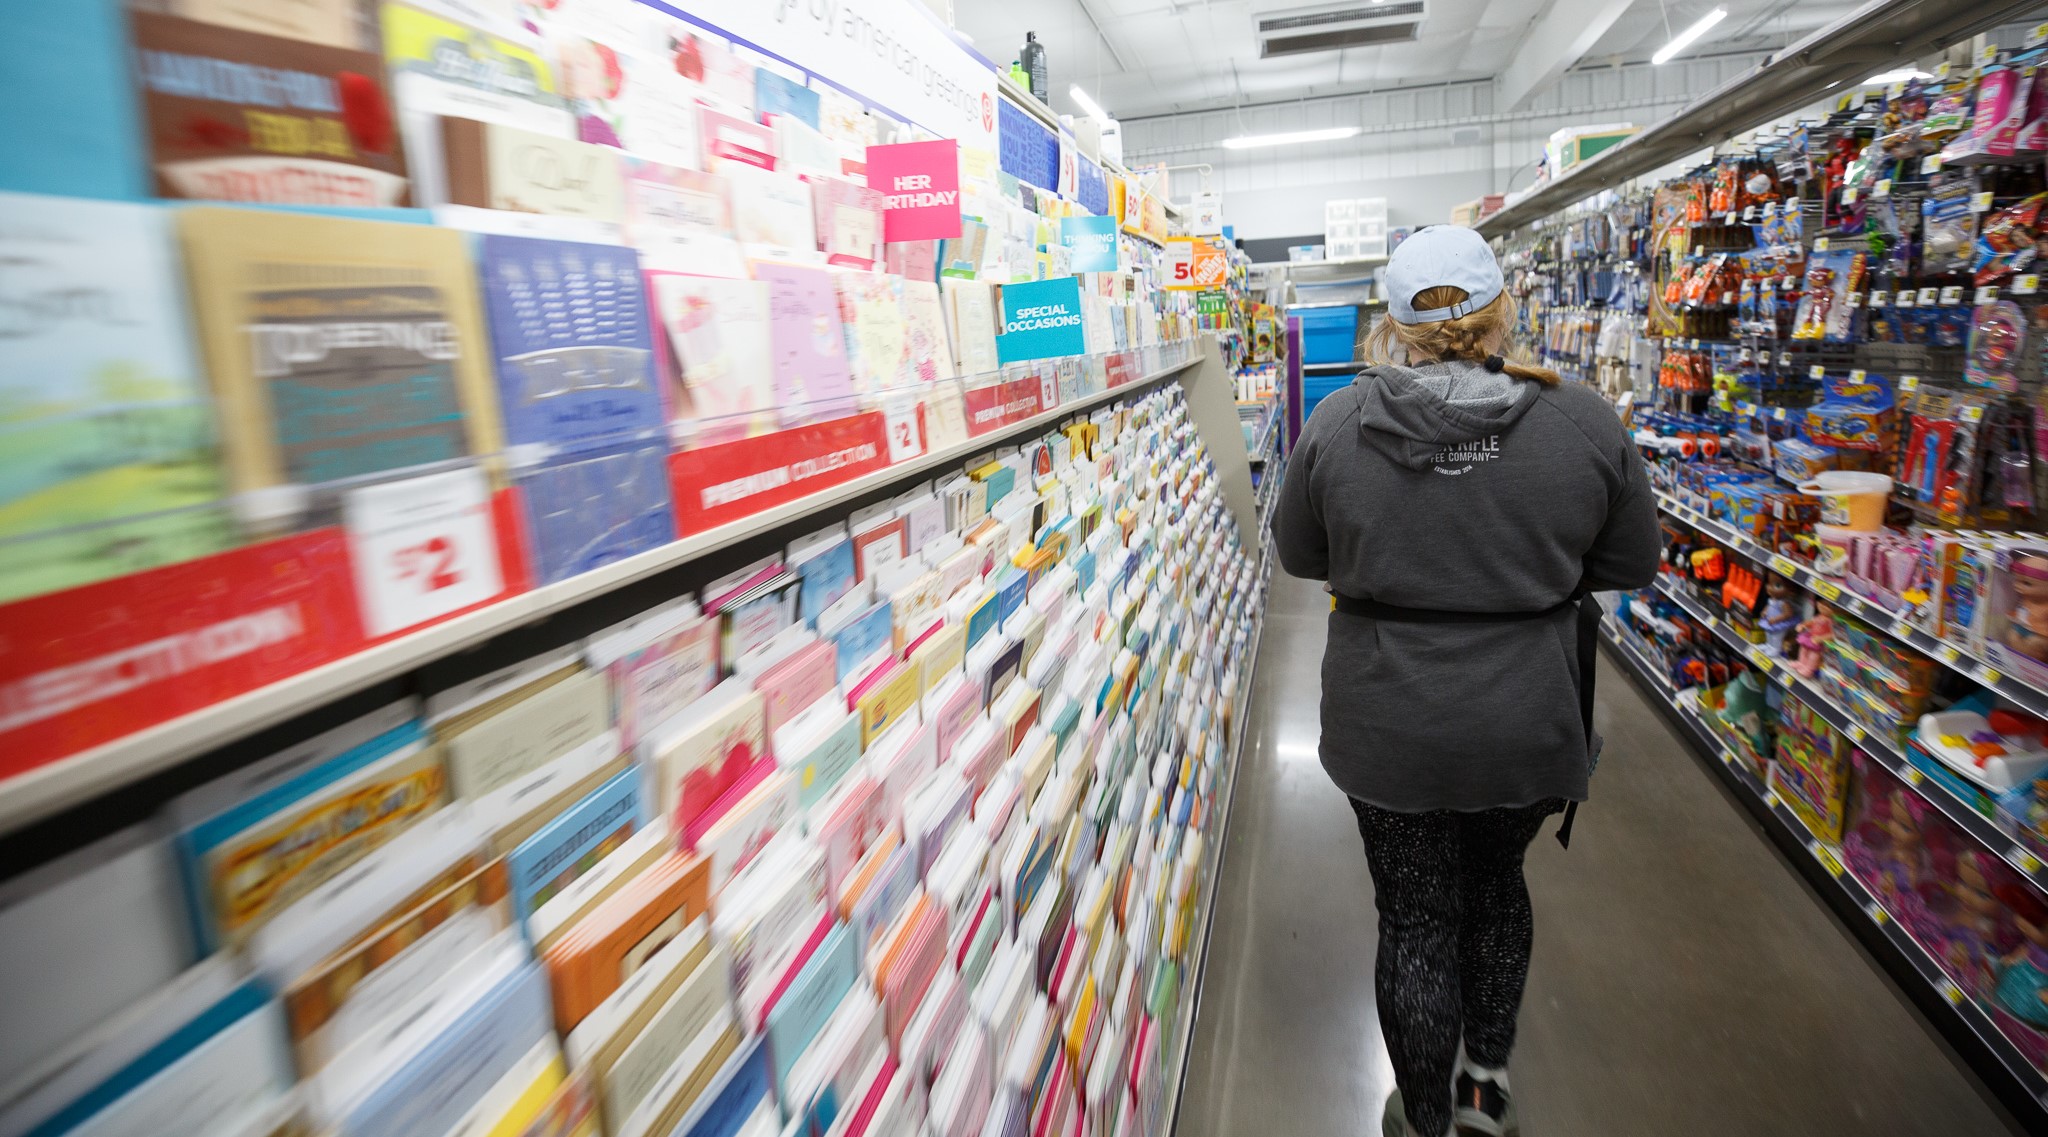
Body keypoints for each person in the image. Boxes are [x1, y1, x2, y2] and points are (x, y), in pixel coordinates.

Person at [1270, 225, 1660, 1137]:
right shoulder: (1583, 418)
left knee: (1413, 915)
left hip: (1389, 725)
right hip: (1527, 718)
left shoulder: (1339, 422)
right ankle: (1486, 1084)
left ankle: (1426, 1119)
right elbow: (1631, 560)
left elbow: (1298, 552)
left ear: (1394, 326)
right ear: (1500, 311)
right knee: (1495, 889)